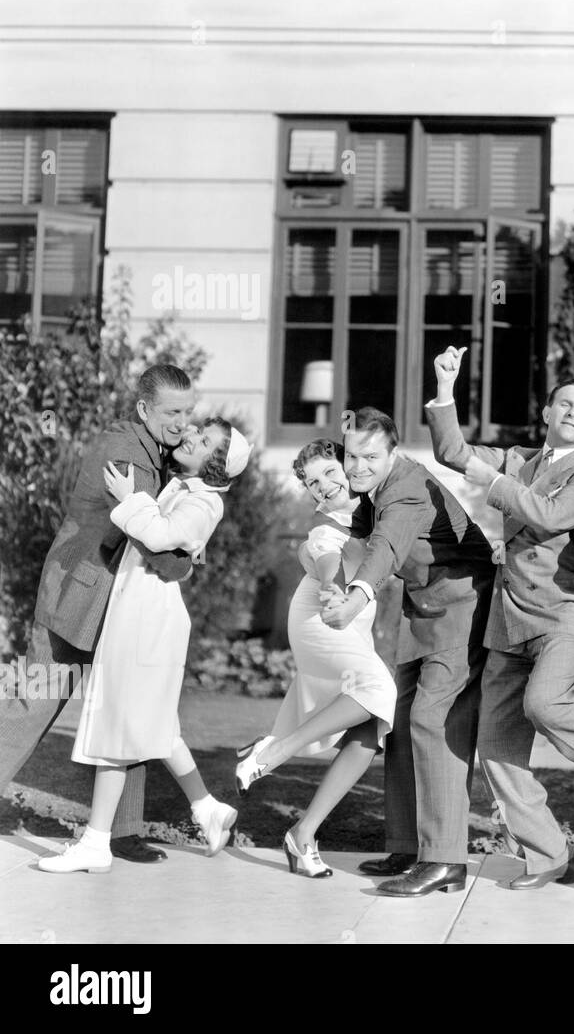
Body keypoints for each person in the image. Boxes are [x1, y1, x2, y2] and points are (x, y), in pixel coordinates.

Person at [425, 347, 574, 892]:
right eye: (566, 404)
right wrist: (445, 387)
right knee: (499, 749)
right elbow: (451, 450)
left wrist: (489, 478)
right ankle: (551, 854)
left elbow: (549, 514)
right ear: (548, 415)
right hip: (509, 619)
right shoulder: (519, 459)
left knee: (544, 702)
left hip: (566, 612)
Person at [0, 364, 197, 866]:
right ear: (144, 410)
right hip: (78, 597)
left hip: (113, 603)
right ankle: (121, 833)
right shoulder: (127, 454)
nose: (182, 422)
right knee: (33, 701)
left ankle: (122, 833)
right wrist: (185, 560)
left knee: (125, 710)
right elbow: (149, 534)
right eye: (173, 412)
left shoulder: (150, 449)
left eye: (187, 411)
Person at [38, 419, 251, 873]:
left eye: (204, 441)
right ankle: (207, 809)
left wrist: (129, 497)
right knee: (155, 725)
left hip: (149, 619)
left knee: (116, 728)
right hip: (139, 611)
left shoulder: (204, 501)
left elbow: (158, 537)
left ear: (215, 466)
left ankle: (96, 843)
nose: (191, 435)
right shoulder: (186, 490)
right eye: (198, 431)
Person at [305, 408, 495, 896]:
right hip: (425, 609)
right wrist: (337, 585)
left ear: (392, 452)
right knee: (404, 720)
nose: (358, 466)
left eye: (371, 456)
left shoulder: (407, 487)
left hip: (463, 606)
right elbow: (360, 545)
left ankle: (445, 859)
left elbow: (386, 548)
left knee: (435, 721)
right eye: (352, 456)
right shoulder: (374, 491)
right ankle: (410, 846)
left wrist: (355, 599)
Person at [234, 440, 397, 879]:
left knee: (369, 730)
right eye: (311, 482)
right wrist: (333, 586)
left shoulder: (379, 507)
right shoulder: (326, 530)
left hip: (350, 627)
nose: (321, 487)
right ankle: (275, 750)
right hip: (319, 620)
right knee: (381, 690)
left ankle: (302, 835)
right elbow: (328, 560)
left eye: (328, 474)